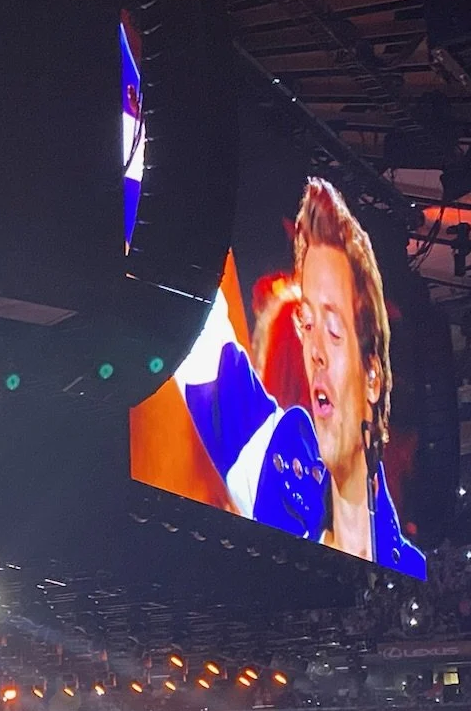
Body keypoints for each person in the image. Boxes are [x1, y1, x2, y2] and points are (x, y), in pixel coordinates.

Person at [170, 178, 425, 575]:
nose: (315, 352)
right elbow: (191, 315)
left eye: (334, 331)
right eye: (307, 325)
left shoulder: (407, 568)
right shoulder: (276, 467)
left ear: (373, 377)